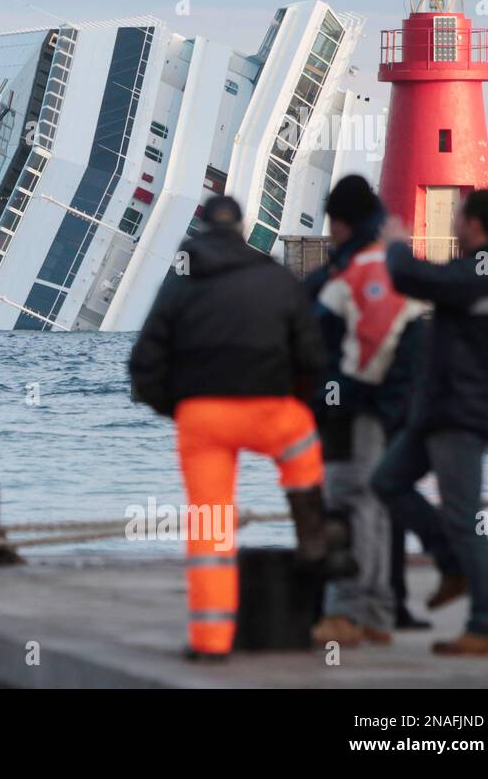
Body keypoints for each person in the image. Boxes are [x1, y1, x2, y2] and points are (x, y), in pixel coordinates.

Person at [129, 195, 343, 662]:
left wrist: (177, 408)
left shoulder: (181, 281)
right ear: (244, 230)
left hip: (202, 418)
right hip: (269, 410)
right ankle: (312, 532)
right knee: (304, 448)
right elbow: (312, 357)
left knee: (210, 526)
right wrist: (293, 396)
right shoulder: (275, 276)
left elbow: (144, 362)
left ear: (202, 229)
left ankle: (211, 642)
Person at [372, 189, 488, 657]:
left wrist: (396, 242)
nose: (452, 222)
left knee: (464, 519)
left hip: (460, 413)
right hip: (435, 410)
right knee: (387, 482)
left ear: (475, 223)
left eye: (458, 215)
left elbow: (414, 276)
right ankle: (448, 561)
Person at [304, 176, 425, 648]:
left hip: (355, 411)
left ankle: (346, 614)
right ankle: (375, 613)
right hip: (391, 408)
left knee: (351, 509)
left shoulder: (356, 270)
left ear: (338, 222)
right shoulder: (394, 262)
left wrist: (332, 397)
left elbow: (347, 347)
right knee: (373, 512)